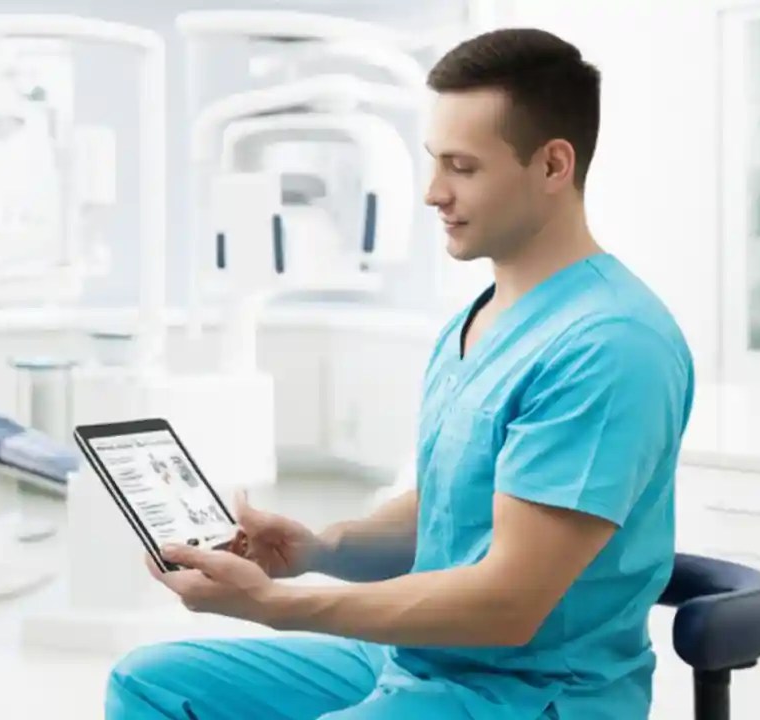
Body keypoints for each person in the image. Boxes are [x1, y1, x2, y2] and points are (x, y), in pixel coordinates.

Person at [106, 27, 694, 720]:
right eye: (433, 162)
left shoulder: (609, 345)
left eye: (462, 167)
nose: (433, 192)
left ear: (553, 166)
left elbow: (509, 604)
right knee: (148, 683)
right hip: (420, 660)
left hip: (529, 692)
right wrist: (318, 549)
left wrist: (276, 605)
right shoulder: (478, 320)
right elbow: (453, 511)